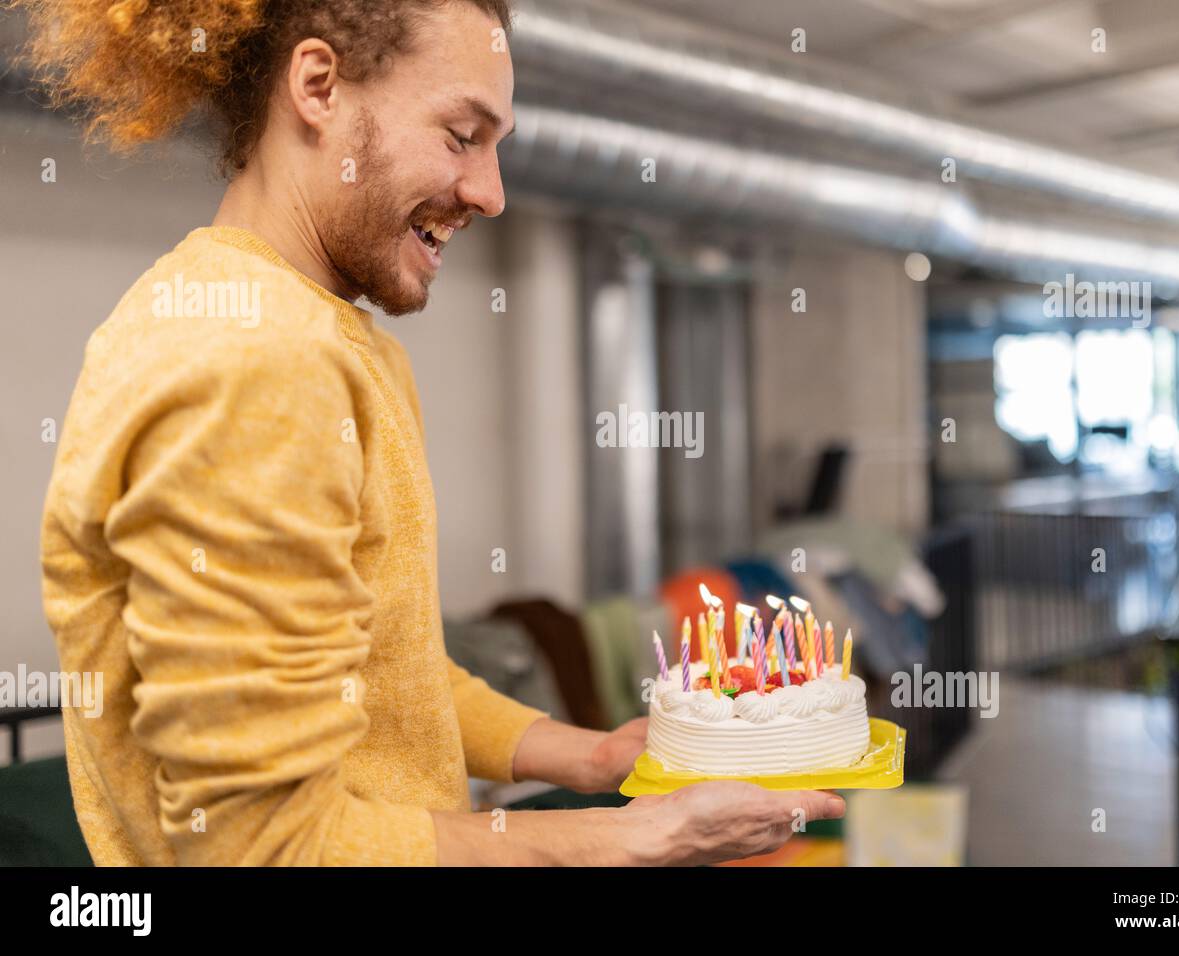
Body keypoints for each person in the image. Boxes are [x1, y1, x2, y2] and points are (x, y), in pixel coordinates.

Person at [26, 0, 844, 864]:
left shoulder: (337, 343)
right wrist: (639, 836)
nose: (491, 192)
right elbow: (259, 848)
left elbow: (390, 675)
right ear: (318, 87)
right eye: (462, 135)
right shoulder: (252, 355)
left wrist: (594, 756)